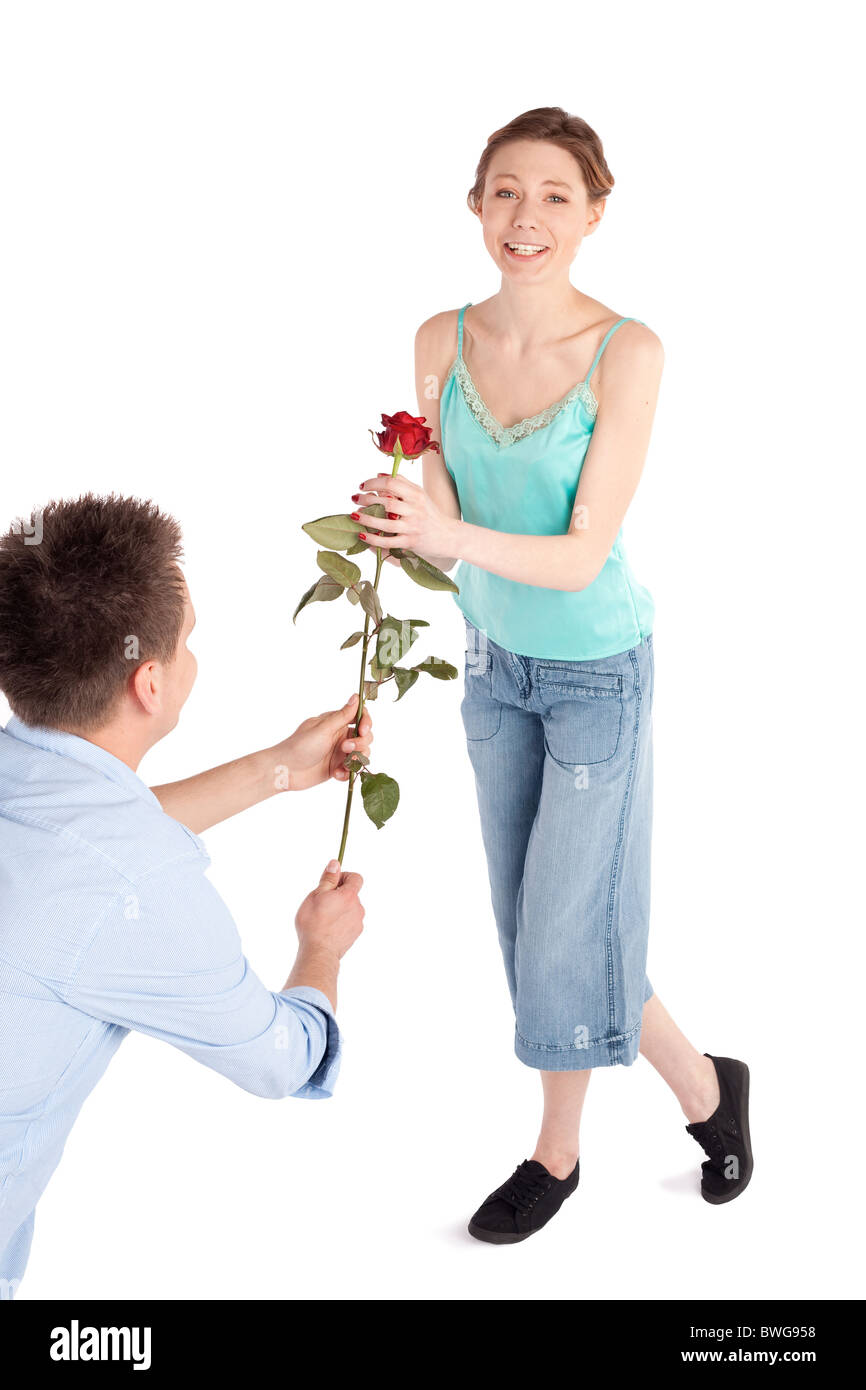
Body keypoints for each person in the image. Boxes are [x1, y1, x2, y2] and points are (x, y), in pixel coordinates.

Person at [349, 106, 753, 1243]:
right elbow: (434, 507)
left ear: (592, 214)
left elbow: (578, 555)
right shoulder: (439, 340)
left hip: (594, 674)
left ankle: (555, 1154)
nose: (524, 218)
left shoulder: (629, 351)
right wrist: (390, 526)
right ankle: (710, 1090)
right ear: (474, 204)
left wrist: (447, 538)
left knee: (562, 930)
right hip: (491, 664)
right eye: (503, 192)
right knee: (539, 926)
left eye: (552, 196)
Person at [0, 493, 370, 1296]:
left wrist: (277, 768)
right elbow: (281, 1060)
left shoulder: (33, 794)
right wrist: (320, 951)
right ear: (150, 682)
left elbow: (84, 846)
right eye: (190, 639)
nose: (197, 655)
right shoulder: (139, 888)